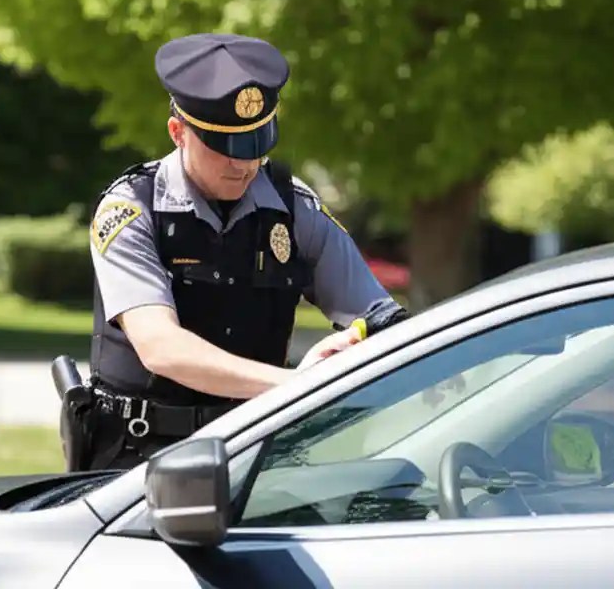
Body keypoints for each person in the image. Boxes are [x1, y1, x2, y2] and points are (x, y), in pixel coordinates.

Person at [75, 32, 409, 471]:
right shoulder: (131, 209)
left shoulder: (292, 208)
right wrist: (297, 385)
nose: (244, 164)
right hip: (138, 461)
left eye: (256, 144)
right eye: (224, 147)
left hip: (254, 453)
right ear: (178, 132)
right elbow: (162, 348)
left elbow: (378, 317)